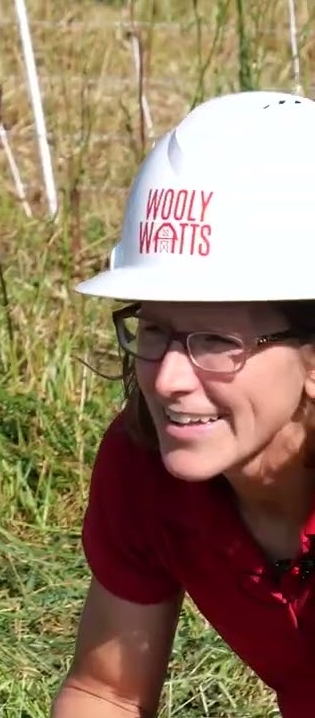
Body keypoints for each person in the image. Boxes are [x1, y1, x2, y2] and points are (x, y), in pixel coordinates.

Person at [52, 89, 315, 717]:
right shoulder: (145, 467)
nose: (168, 379)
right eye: (154, 330)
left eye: (216, 342)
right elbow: (107, 691)